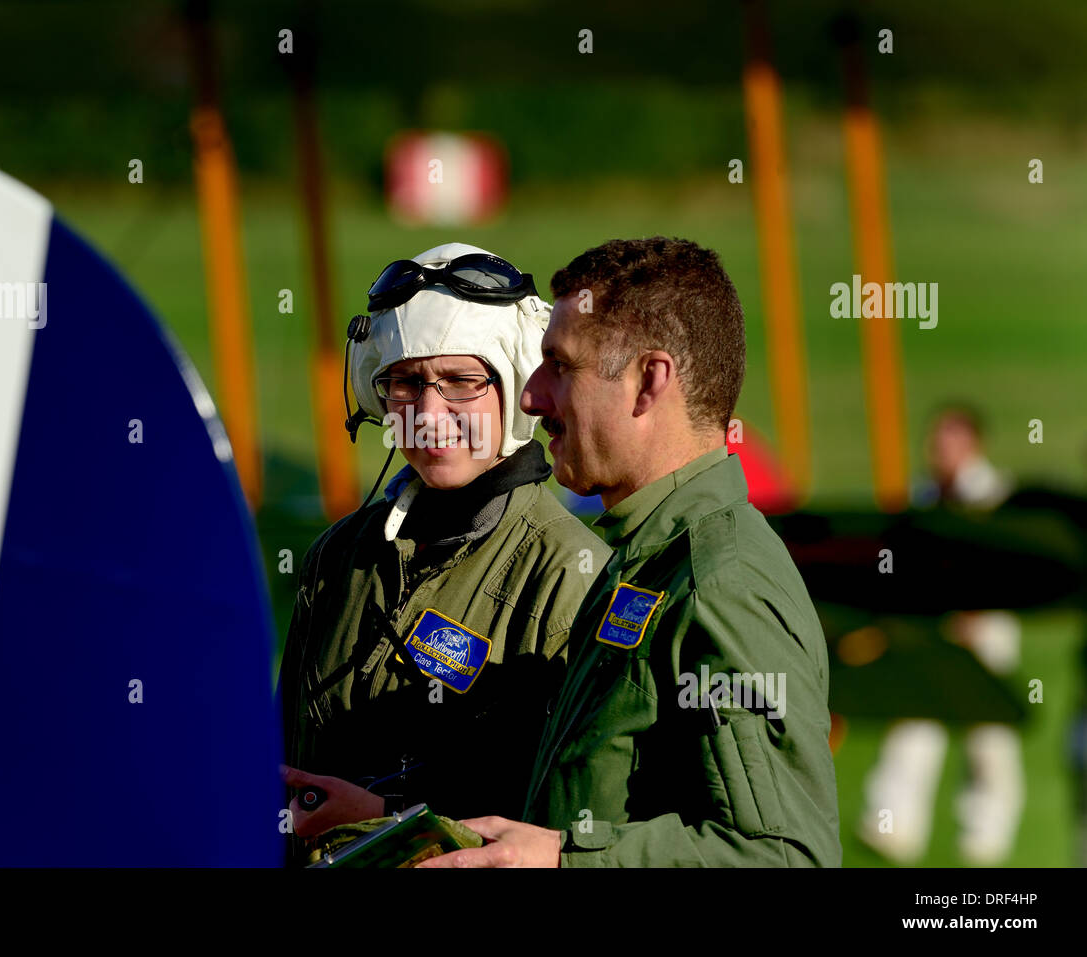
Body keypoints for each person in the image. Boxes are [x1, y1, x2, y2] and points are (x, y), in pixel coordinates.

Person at [419, 237, 841, 867]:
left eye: (559, 365)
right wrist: (399, 829)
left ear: (649, 380)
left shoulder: (718, 582)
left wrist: (568, 861)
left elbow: (786, 858)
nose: (532, 397)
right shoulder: (645, 559)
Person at [280, 242, 610, 849]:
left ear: (514, 386)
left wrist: (380, 814)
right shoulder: (336, 558)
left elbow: (565, 824)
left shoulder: (572, 573)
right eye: (405, 383)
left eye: (461, 382)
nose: (429, 413)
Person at [858, 404, 1024, 865]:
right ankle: (892, 825)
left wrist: (974, 613)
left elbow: (1004, 562)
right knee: (914, 724)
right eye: (936, 441)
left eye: (949, 441)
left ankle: (984, 841)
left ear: (972, 444)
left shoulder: (993, 495)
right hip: (934, 629)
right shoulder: (926, 495)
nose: (938, 450)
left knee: (989, 741)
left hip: (984, 628)